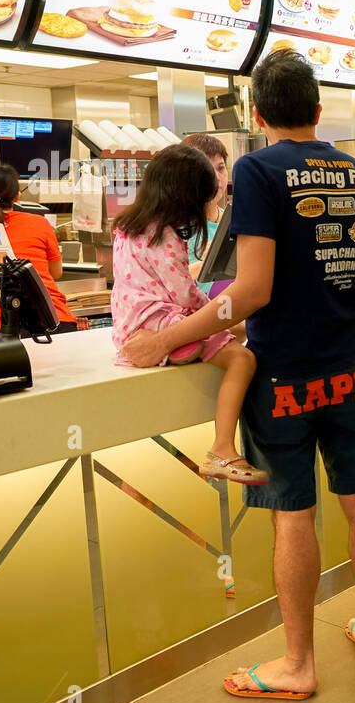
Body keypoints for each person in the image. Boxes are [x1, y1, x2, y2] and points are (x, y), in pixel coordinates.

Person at [121, 50, 355, 694]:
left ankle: (298, 666)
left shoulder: (255, 169)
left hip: (282, 376)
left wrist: (163, 338)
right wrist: (336, 315)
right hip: (351, 369)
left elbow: (248, 292)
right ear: (318, 110)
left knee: (293, 515)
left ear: (255, 113)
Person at [110, 145, 264, 484]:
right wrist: (217, 313)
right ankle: (222, 448)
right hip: (161, 322)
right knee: (244, 360)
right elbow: (185, 295)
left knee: (232, 335)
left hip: (130, 325)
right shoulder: (164, 235)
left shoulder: (125, 226)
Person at [0, 163, 77, 334]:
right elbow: (56, 273)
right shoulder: (39, 222)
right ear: (17, 196)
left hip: (6, 327)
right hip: (56, 322)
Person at [180, 132, 230, 297]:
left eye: (221, 168)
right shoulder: (172, 227)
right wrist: (205, 264)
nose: (216, 177)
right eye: (207, 169)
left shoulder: (234, 222)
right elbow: (162, 284)